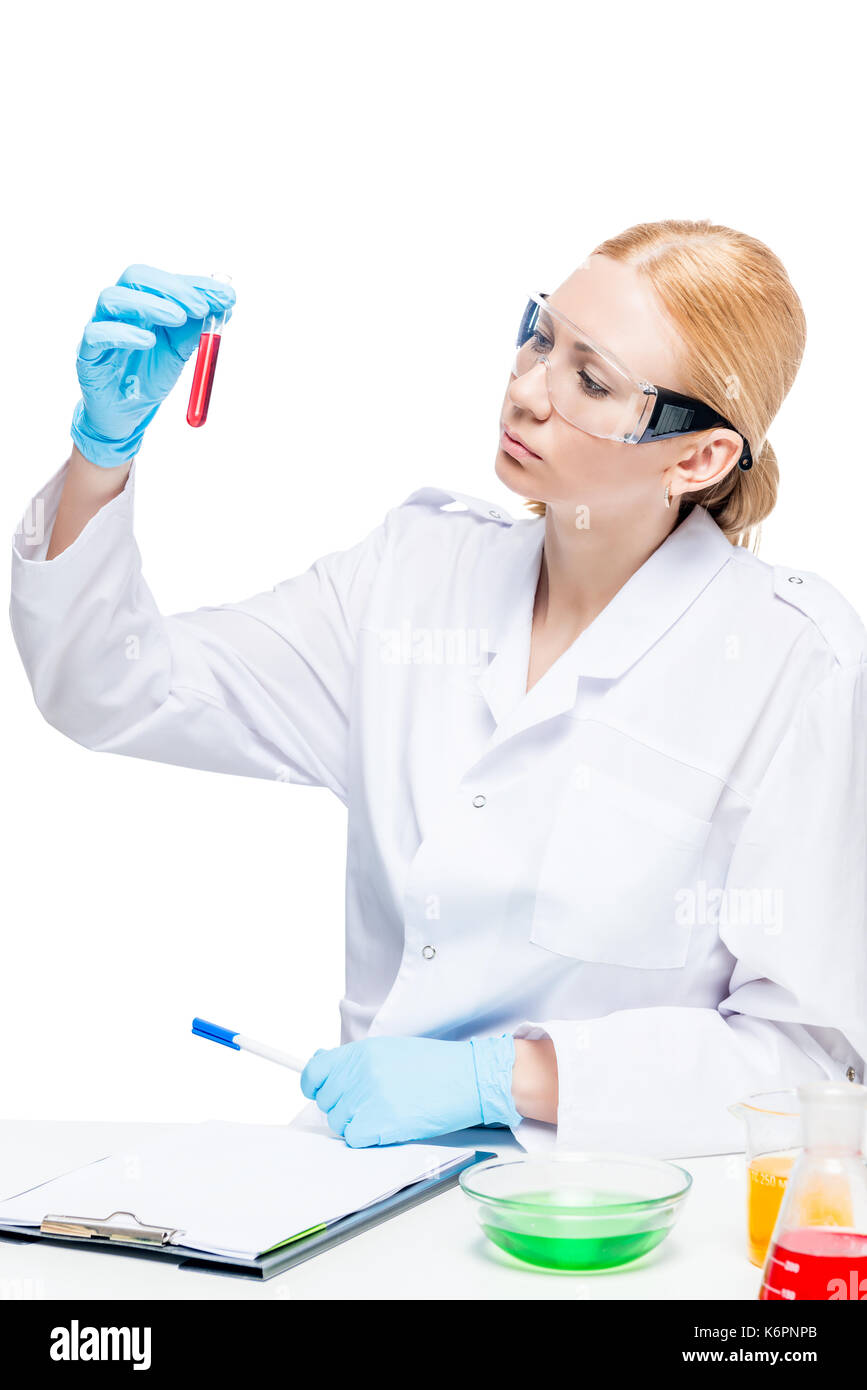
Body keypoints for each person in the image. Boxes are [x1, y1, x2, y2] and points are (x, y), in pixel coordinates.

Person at [10, 221, 867, 1157]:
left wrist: (501, 1079)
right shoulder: (412, 580)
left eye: (590, 380)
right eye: (541, 336)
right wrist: (102, 450)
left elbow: (806, 1062)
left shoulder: (793, 666)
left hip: (610, 1214)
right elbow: (112, 687)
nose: (528, 389)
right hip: (357, 1183)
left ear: (697, 457)